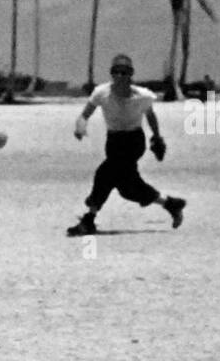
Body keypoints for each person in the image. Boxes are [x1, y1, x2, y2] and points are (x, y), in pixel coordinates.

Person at [67, 54, 185, 236]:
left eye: (125, 72)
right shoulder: (101, 92)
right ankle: (170, 204)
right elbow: (85, 114)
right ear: (112, 74)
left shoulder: (142, 96)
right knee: (127, 188)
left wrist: (157, 137)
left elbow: (150, 116)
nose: (120, 76)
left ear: (131, 74)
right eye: (117, 72)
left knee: (104, 174)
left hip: (133, 141)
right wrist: (80, 126)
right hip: (113, 141)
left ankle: (88, 220)